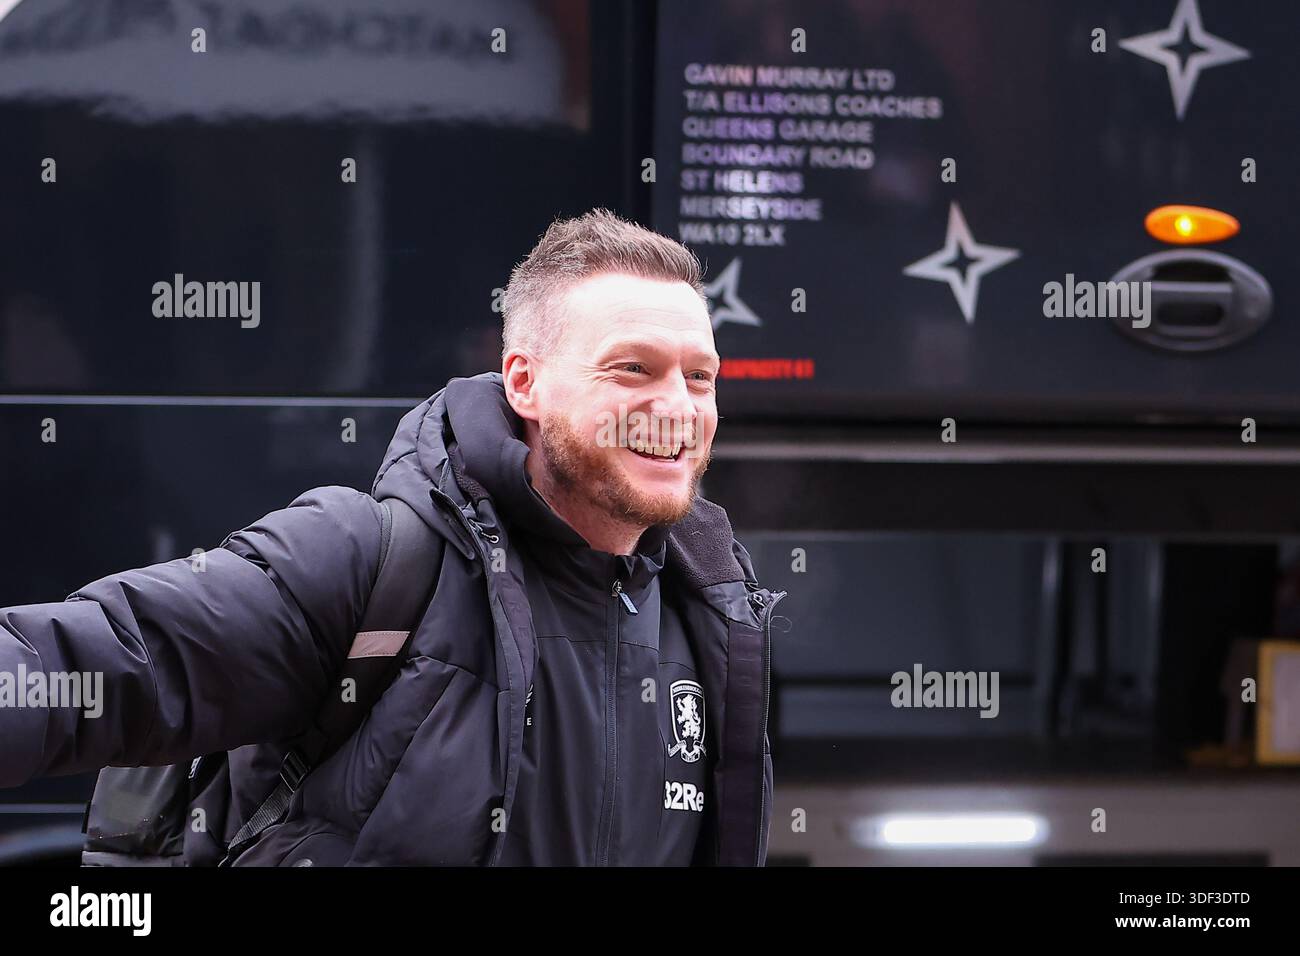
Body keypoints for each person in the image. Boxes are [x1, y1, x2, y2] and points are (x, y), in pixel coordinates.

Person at [0, 208, 782, 866]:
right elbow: (89, 663)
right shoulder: (366, 562)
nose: (677, 405)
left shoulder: (714, 620)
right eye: (633, 369)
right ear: (524, 383)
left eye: (700, 376)